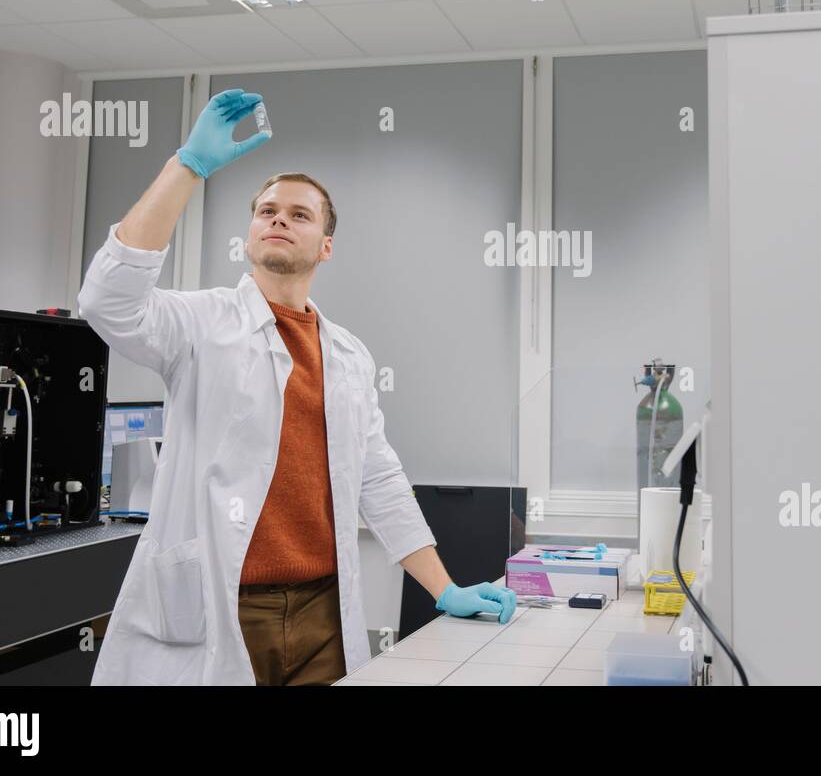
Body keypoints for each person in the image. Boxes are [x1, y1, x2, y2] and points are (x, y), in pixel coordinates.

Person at [79, 88, 515, 685]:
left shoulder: (348, 357)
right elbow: (108, 301)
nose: (279, 218)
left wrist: (444, 588)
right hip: (219, 606)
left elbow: (379, 480)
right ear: (250, 235)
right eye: (266, 211)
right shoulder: (200, 325)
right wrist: (188, 167)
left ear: (325, 247)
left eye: (299, 214)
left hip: (323, 613)